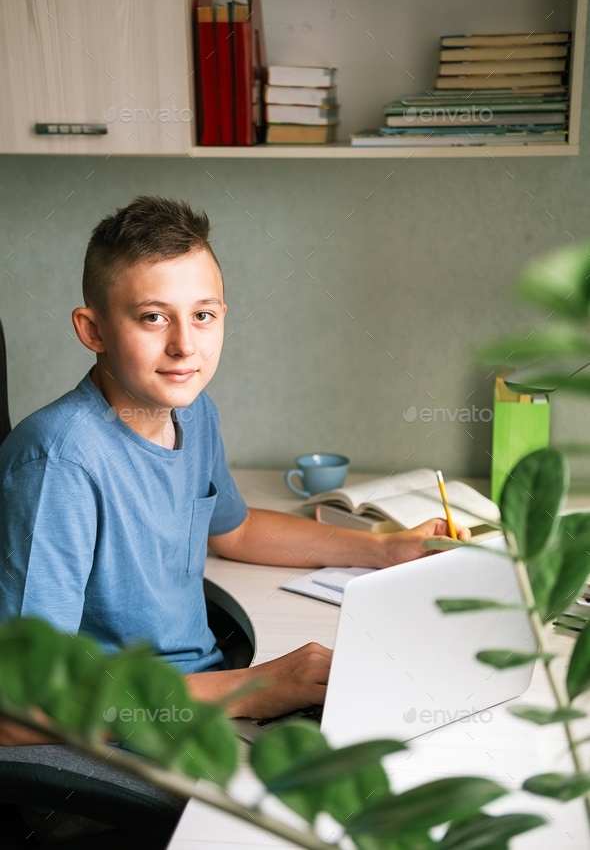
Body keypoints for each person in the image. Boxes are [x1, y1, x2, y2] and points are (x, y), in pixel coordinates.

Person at [0, 196, 469, 745]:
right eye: (153, 317)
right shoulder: (59, 464)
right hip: (108, 752)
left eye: (203, 315)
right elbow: (21, 712)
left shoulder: (192, 411)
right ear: (93, 330)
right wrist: (252, 687)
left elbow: (237, 530)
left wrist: (386, 551)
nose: (184, 345)